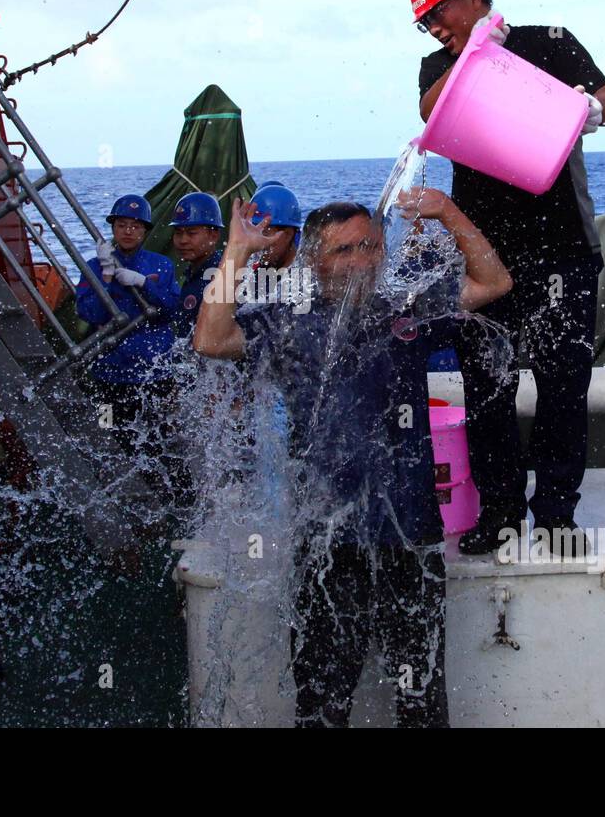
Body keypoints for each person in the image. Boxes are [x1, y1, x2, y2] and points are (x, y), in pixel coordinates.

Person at [194, 191, 511, 727]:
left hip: (408, 534)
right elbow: (210, 338)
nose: (361, 262)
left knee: (422, 696)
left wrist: (448, 213)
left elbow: (492, 283)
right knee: (322, 699)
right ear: (313, 258)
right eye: (344, 251)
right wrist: (237, 252)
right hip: (326, 541)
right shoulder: (287, 323)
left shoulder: (406, 313)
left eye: (369, 247)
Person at [411, 0, 605, 556]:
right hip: (485, 261)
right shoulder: (436, 64)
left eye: (440, 11)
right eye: (425, 20)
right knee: (486, 388)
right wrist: (476, 53)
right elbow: (431, 112)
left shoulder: (550, 42)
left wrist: (588, 111)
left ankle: (557, 515)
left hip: (563, 249)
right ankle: (501, 514)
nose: (434, 27)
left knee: (563, 385)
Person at [76, 194, 187, 519]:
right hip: (109, 376)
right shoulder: (95, 267)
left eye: (135, 226)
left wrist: (143, 285)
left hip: (154, 376)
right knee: (111, 443)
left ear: (145, 230)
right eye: (122, 224)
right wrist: (108, 280)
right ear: (113, 228)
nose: (128, 231)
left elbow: (172, 310)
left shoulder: (161, 265)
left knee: (165, 444)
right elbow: (89, 311)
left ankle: (179, 510)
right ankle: (125, 511)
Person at [168, 191, 225, 340]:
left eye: (191, 233)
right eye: (178, 233)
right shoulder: (194, 272)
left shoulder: (220, 277)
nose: (183, 240)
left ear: (214, 235)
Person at [249, 181, 302, 272]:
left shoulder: (308, 277)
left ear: (288, 234)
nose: (255, 243)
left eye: (264, 233)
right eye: (250, 233)